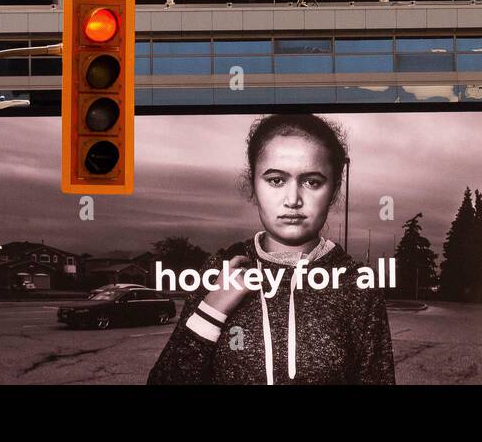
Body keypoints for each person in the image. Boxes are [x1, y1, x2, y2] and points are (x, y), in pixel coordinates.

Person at [147, 113, 395, 385]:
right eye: (276, 180)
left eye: (312, 182)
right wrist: (212, 310)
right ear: (253, 184)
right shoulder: (222, 269)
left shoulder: (357, 286)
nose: (293, 200)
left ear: (334, 190)